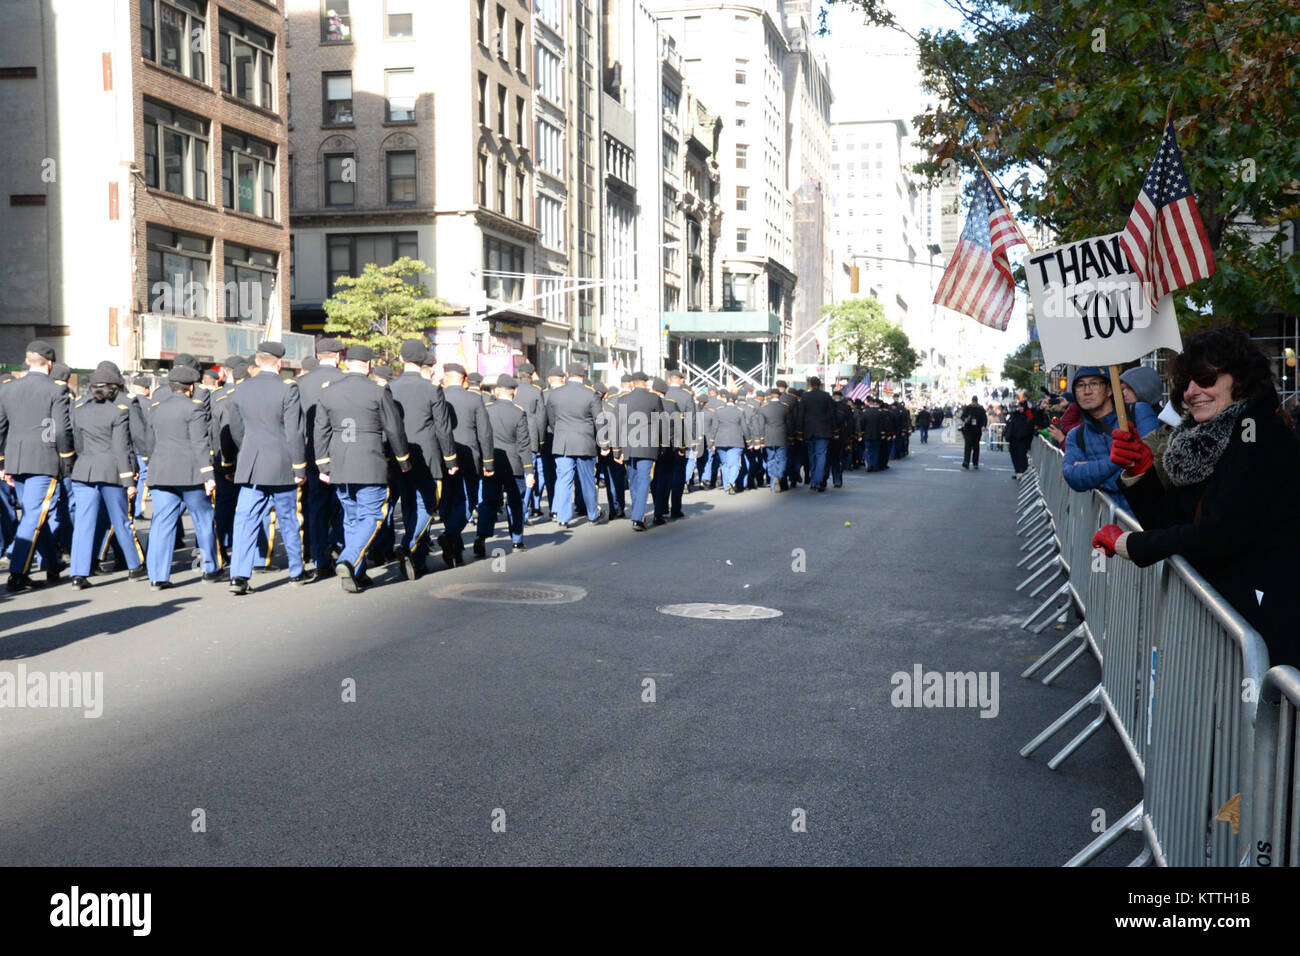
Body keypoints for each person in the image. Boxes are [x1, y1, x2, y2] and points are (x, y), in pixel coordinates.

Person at [1093, 328, 1300, 666]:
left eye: (1205, 378)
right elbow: (1170, 522)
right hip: (1226, 632)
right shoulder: (1199, 439)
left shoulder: (1260, 435)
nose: (1191, 392)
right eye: (1185, 382)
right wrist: (1139, 473)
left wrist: (1131, 544)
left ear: (1241, 380)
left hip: (1270, 631)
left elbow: (1218, 535)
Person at [314, 345, 412, 591]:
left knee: (351, 518)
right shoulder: (377, 391)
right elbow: (394, 429)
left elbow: (321, 430)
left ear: (347, 363)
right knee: (372, 515)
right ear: (368, 365)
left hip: (340, 463)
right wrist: (403, 459)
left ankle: (356, 573)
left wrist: (323, 464)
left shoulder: (329, 392)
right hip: (370, 463)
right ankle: (349, 559)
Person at [222, 341, 309, 595]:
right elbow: (294, 432)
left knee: (245, 520)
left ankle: (238, 576)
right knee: (288, 519)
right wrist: (299, 467)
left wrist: (247, 449)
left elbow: (236, 428)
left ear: (258, 361)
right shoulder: (288, 388)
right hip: (281, 463)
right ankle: (296, 571)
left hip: (251, 463)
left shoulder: (242, 388)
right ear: (279, 363)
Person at [0, 340, 75, 591]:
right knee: (34, 515)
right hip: (43, 459)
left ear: (27, 361)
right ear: (50, 363)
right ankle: (18, 573)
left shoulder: (8, 389)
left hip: (16, 459)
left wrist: (1, 462)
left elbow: (1, 428)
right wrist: (67, 458)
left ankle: (52, 563)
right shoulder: (56, 390)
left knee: (35, 512)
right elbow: (61, 430)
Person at [139, 365, 220, 590]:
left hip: (161, 472)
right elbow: (199, 443)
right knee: (203, 520)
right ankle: (208, 568)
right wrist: (208, 474)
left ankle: (158, 576)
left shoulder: (156, 409)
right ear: (190, 388)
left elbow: (149, 442)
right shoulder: (194, 409)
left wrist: (151, 465)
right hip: (190, 473)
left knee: (162, 523)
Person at [67, 362, 147, 588]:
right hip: (111, 470)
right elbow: (121, 448)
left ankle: (78, 574)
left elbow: (78, 443)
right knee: (120, 520)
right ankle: (135, 566)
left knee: (83, 524)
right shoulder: (118, 412)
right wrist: (129, 480)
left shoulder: (79, 410)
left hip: (84, 469)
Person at [388, 340, 457, 577]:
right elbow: (443, 428)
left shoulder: (389, 387)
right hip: (428, 456)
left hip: (398, 455)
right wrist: (450, 459)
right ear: (423, 360)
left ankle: (416, 559)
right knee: (428, 504)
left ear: (401, 359)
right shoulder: (432, 389)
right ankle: (408, 545)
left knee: (408, 503)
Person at [1061, 366, 1158, 511]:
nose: (1087, 391)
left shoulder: (1138, 412)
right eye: (1080, 385)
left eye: (1094, 383)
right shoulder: (1076, 435)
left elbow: (1152, 465)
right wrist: (1120, 461)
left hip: (1147, 515)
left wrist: (1099, 482)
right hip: (1108, 521)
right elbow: (1073, 476)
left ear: (1109, 390)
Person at [438, 363, 495, 567]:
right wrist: (488, 461)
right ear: (464, 380)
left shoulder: (439, 397)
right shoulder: (474, 398)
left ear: (446, 378)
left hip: (443, 457)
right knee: (468, 502)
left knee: (447, 501)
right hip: (469, 457)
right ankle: (450, 535)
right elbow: (485, 433)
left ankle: (454, 547)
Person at [477, 375, 534, 552]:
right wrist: (529, 470)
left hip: (491, 462)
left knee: (488, 501)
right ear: (514, 392)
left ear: (497, 391)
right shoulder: (518, 412)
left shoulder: (486, 409)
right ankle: (517, 540)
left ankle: (481, 536)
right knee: (515, 503)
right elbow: (524, 444)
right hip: (513, 464)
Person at [545, 367, 608, 528]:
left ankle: (563, 517)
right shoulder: (591, 394)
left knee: (563, 479)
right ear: (583, 376)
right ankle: (593, 515)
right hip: (584, 442)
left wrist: (560, 432)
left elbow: (551, 420)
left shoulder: (555, 394)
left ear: (567, 375)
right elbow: (599, 420)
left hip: (562, 442)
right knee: (587, 480)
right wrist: (604, 443)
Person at [797, 376, 836, 491]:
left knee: (812, 456)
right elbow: (832, 414)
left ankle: (814, 481)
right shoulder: (826, 396)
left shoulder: (805, 396)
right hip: (824, 431)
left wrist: (799, 432)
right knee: (821, 456)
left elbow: (801, 415)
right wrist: (835, 430)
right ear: (820, 385)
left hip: (809, 430)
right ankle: (819, 480)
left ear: (810, 385)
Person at [1004, 400, 1036, 480]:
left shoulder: (1028, 414)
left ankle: (1023, 472)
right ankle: (1018, 471)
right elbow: (1009, 425)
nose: (1021, 408)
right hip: (1013, 439)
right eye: (1020, 406)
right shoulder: (1015, 414)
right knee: (1014, 456)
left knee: (1022, 456)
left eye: (1022, 407)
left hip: (1023, 439)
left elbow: (1032, 422)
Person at [959, 395, 987, 469]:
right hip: (968, 429)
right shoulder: (967, 408)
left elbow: (984, 418)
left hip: (977, 430)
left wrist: (983, 426)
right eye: (973, 402)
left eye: (975, 402)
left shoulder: (980, 409)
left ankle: (975, 463)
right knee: (967, 446)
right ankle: (966, 462)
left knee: (976, 447)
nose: (974, 403)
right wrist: (965, 419)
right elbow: (962, 416)